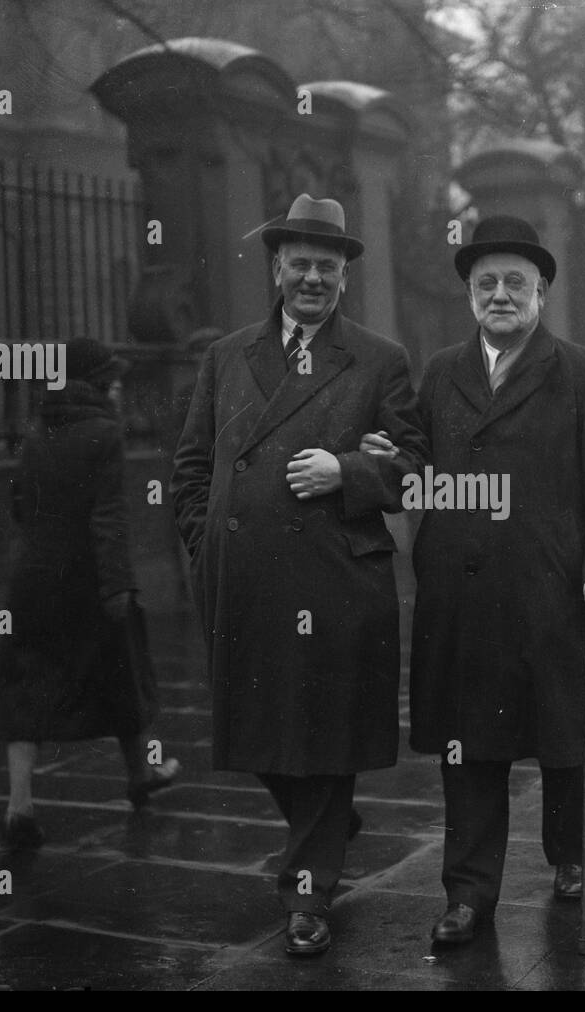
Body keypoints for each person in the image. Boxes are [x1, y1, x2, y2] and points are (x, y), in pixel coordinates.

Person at [364, 215, 585, 946]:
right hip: (462, 595)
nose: (501, 294)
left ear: (542, 292)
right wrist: (389, 459)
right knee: (469, 749)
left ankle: (573, 857)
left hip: (552, 591)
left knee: (562, 739)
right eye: (486, 283)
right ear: (470, 297)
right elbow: (417, 464)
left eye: (516, 281)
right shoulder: (442, 372)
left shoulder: (581, 372)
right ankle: (468, 893)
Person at [171, 194, 426, 957]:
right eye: (300, 264)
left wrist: (345, 470)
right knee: (257, 735)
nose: (313, 278)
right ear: (277, 268)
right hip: (245, 576)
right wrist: (204, 538)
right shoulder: (226, 355)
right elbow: (189, 465)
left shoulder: (381, 358)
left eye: (328, 266)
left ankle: (307, 894)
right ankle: (326, 825)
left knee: (321, 732)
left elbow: (413, 466)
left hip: (333, 579)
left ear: (345, 277)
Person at [0, 338, 179, 850]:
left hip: (31, 579)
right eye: (113, 379)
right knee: (121, 672)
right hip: (88, 580)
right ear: (96, 384)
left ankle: (19, 805)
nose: (120, 387)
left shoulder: (35, 432)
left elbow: (19, 502)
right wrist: (118, 583)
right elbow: (108, 517)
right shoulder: (105, 434)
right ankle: (142, 775)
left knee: (25, 685)